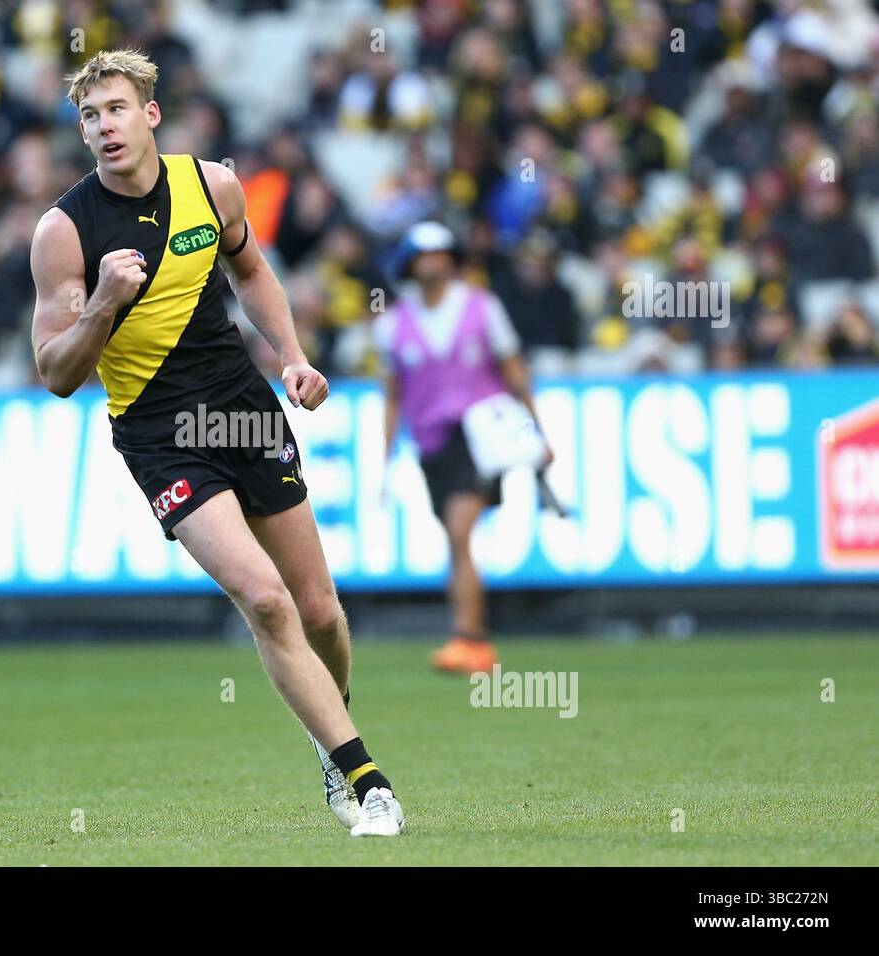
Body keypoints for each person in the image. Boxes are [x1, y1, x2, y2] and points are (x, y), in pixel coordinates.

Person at [30, 49, 403, 836]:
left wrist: (294, 357)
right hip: (160, 435)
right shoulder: (64, 232)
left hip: (242, 407)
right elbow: (56, 371)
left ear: (151, 114)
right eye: (90, 115)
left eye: (117, 109)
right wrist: (100, 306)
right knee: (265, 602)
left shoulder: (213, 185)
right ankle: (364, 778)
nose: (104, 127)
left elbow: (254, 273)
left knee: (321, 613)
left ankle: (329, 738)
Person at [378, 222, 551, 675]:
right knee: (456, 540)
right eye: (424, 255)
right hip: (431, 441)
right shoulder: (393, 324)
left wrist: (537, 431)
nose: (434, 262)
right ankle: (474, 637)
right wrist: (384, 457)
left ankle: (468, 636)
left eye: (441, 253)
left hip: (479, 436)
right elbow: (393, 395)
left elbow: (513, 370)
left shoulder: (482, 307)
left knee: (459, 530)